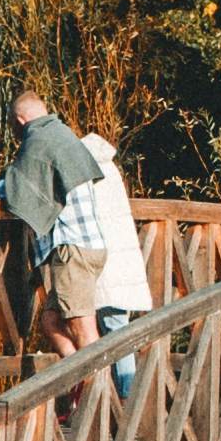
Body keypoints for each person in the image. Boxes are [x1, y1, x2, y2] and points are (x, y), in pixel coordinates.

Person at [0, 91, 107, 359]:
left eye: (14, 128)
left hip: (73, 251)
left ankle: (98, 395)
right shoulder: (62, 134)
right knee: (51, 321)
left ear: (20, 121)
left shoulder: (39, 138)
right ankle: (82, 382)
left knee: (82, 329)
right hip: (91, 246)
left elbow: (17, 188)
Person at [83, 131, 152, 396]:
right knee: (116, 326)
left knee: (113, 327)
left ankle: (125, 394)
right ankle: (124, 394)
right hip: (123, 262)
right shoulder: (110, 171)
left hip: (107, 263)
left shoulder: (90, 174)